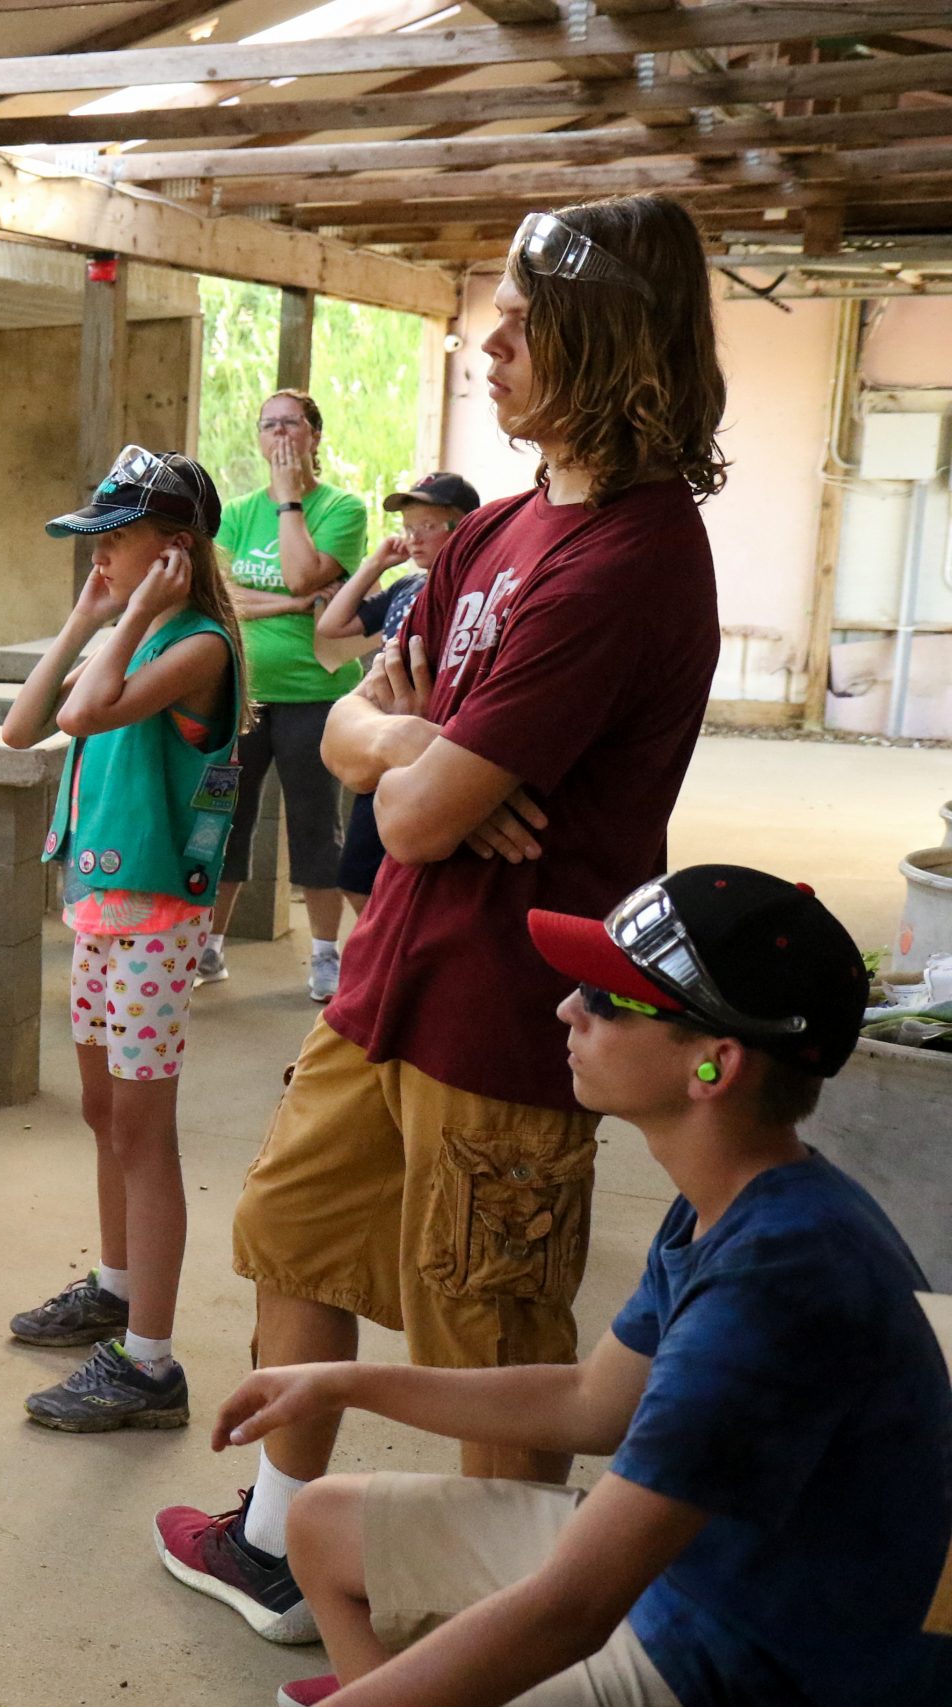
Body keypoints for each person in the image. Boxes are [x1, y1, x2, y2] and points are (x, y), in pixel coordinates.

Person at [156, 194, 729, 1645]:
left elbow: (396, 809)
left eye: (527, 326)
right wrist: (426, 754)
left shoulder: (630, 559)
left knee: (493, 1334)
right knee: (293, 1235)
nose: (492, 345)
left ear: (609, 342)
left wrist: (416, 768)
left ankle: (512, 1633)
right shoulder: (507, 526)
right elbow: (361, 727)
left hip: (510, 1008)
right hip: (390, 976)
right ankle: (282, 1545)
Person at [218, 866, 952, 1707]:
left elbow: (571, 1609)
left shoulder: (779, 1281)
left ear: (715, 1064)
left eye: (608, 999)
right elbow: (588, 1402)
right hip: (702, 1580)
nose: (568, 1008)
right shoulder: (731, 1200)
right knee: (321, 1524)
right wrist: (345, 1381)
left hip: (765, 1658)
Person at [0, 448, 246, 1432]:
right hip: (101, 913)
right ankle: (115, 1285)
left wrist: (133, 614)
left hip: (154, 922)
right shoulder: (128, 634)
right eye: (91, 541)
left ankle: (149, 1364)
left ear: (174, 550)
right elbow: (25, 727)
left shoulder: (197, 647)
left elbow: (77, 713)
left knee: (144, 1135)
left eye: (115, 539)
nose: (96, 555)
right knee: (104, 1116)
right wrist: (91, 616)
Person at [206, 388, 370, 1001]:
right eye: (267, 424)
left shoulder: (340, 510)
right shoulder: (237, 512)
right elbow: (222, 596)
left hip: (314, 694)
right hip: (243, 693)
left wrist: (289, 503)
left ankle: (325, 955)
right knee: (225, 819)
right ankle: (211, 947)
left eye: (290, 425)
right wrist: (295, 607)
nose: (278, 437)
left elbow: (305, 570)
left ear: (314, 436)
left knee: (312, 825)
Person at [313, 472, 483, 910]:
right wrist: (374, 565)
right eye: (409, 528)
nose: (415, 538)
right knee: (357, 874)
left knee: (414, 874)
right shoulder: (406, 586)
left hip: (433, 741)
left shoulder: (473, 591)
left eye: (427, 526)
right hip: (383, 740)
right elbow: (333, 626)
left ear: (463, 527)